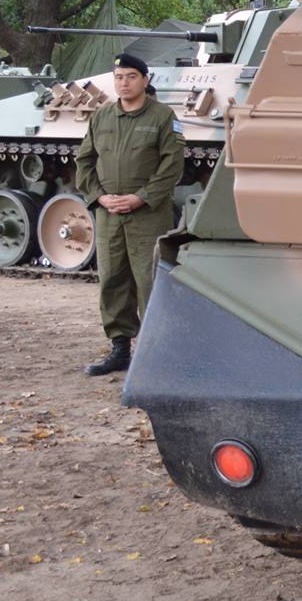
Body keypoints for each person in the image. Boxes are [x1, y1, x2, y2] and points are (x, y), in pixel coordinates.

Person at [74, 53, 184, 376]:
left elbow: (172, 164)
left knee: (150, 281)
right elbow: (84, 161)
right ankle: (120, 349)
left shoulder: (163, 117)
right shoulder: (102, 117)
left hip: (147, 214)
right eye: (119, 77)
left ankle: (155, 354)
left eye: (131, 76)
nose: (124, 83)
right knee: (112, 280)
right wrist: (99, 197)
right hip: (110, 214)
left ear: (145, 80)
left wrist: (141, 197)